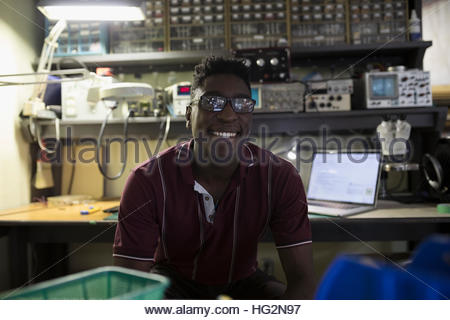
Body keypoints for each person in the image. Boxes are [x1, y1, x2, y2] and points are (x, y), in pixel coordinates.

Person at [113, 56, 314, 299]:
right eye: (213, 102)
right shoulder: (148, 181)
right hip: (172, 283)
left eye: (241, 103)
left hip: (244, 281)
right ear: (189, 115)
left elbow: (303, 280)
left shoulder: (279, 177)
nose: (229, 115)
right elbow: (131, 289)